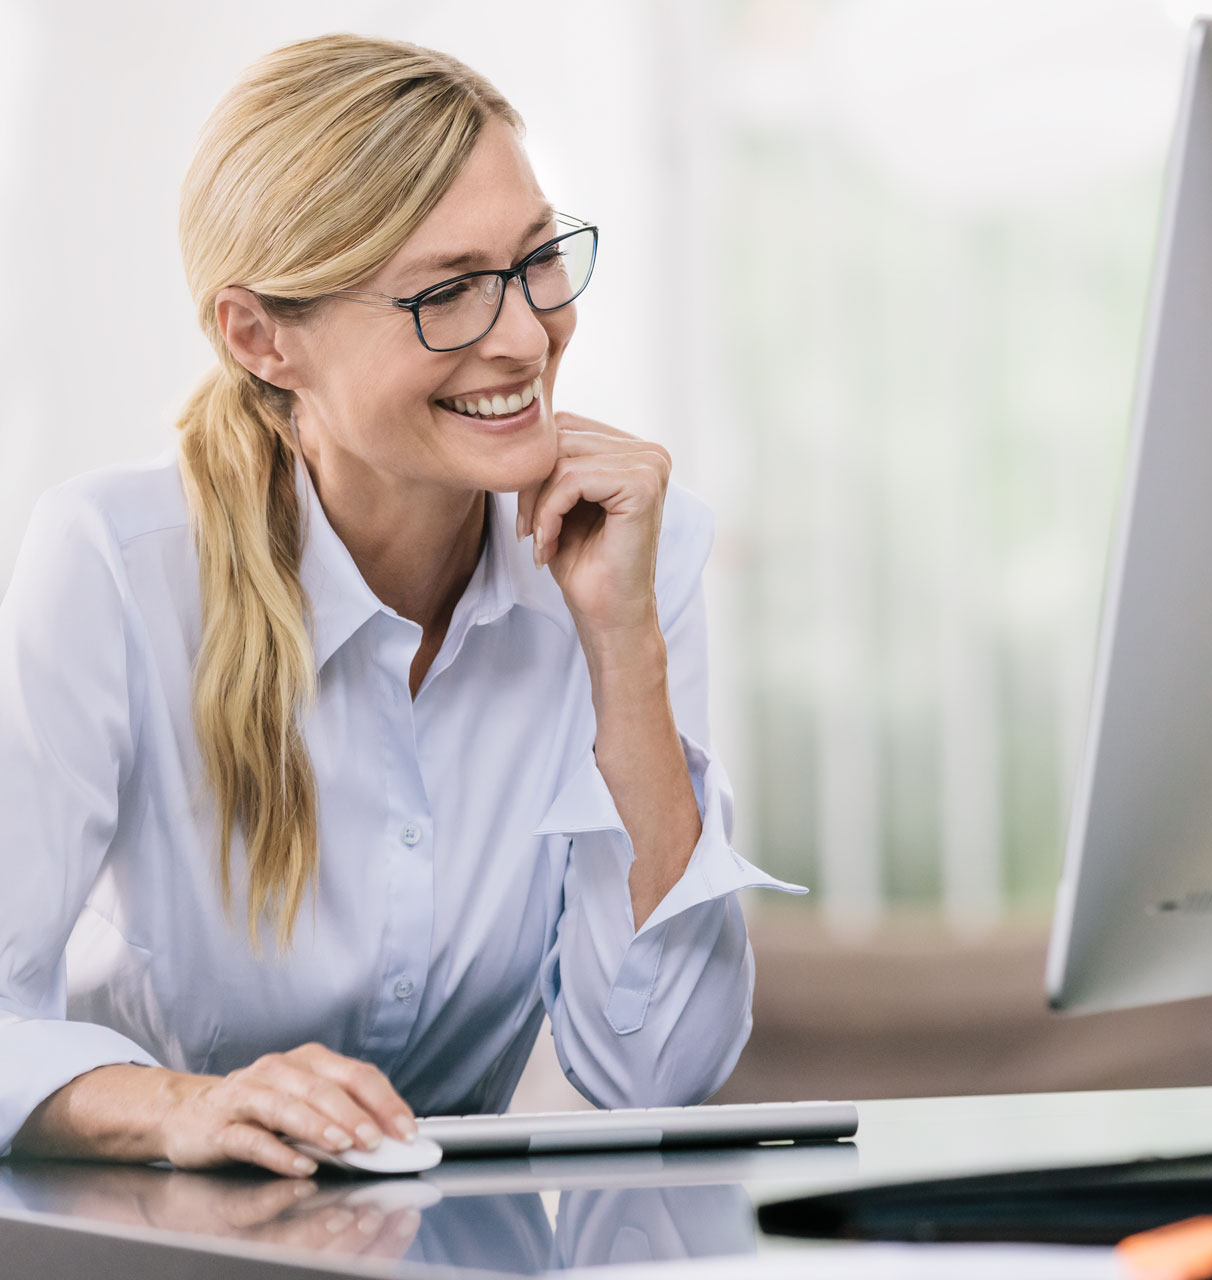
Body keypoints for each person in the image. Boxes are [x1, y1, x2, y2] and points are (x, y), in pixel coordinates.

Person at [0, 33, 799, 1177]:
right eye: (449, 292)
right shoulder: (116, 568)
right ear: (260, 336)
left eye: (537, 260)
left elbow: (659, 1072)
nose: (526, 334)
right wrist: (179, 1105)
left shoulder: (624, 549)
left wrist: (624, 646)